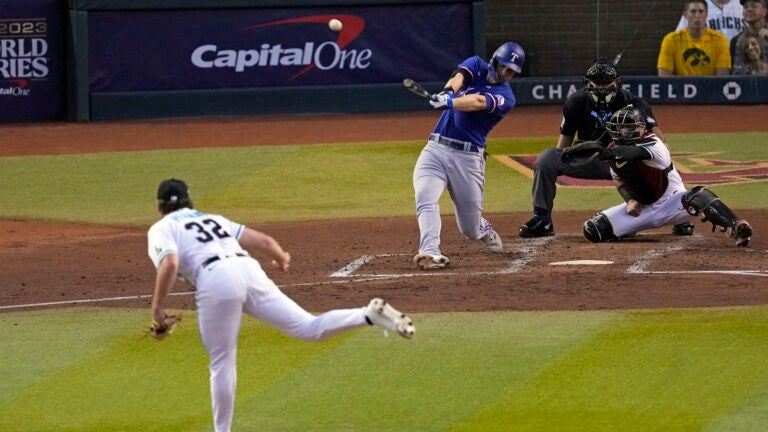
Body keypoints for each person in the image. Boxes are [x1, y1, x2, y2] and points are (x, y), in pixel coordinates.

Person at [147, 178, 415, 432]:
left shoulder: (162, 228)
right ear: (189, 200)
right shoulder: (212, 219)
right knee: (309, 327)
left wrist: (158, 311)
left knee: (222, 362)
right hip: (249, 269)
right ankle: (367, 314)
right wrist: (281, 257)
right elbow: (264, 242)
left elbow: (170, 263)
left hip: (216, 280)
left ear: (160, 205)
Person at [517, 59, 694, 238]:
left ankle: (681, 217)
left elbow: (657, 138)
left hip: (627, 161)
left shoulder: (632, 102)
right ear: (588, 84)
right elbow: (563, 144)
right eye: (597, 85)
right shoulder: (575, 102)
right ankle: (542, 220)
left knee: (662, 163)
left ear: (616, 82)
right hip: (591, 159)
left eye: (607, 84)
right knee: (547, 159)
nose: (602, 89)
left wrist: (651, 156)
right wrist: (565, 159)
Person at [570, 105, 753, 247]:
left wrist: (605, 153)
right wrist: (630, 199)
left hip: (674, 203)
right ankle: (629, 229)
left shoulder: (654, 145)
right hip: (644, 208)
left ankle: (736, 226)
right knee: (593, 230)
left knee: (697, 194)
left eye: (628, 127)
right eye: (619, 127)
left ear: (641, 128)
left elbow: (634, 153)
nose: (622, 131)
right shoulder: (613, 153)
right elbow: (618, 179)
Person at [412, 41, 525, 270]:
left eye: (512, 71)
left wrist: (450, 102)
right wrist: (447, 93)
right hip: (435, 149)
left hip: (468, 159)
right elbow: (459, 78)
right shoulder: (476, 64)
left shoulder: (506, 97)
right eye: (504, 66)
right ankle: (430, 252)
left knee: (470, 229)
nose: (506, 73)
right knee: (425, 197)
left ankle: (484, 230)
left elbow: (477, 102)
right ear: (495, 60)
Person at [659, 0, 733, 76]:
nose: (697, 15)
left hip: (710, 86)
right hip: (680, 87)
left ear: (706, 14)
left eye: (701, 11)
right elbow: (664, 77)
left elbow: (722, 78)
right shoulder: (671, 40)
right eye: (693, 11)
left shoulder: (720, 40)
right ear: (685, 15)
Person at [674, 0, 745, 44]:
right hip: (707, 60)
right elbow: (678, 39)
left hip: (739, 61)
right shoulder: (698, 6)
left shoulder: (743, 5)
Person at [730, 0, 768, 74]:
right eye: (745, 7)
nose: (749, 9)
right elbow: (737, 73)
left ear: (764, 11)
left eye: (754, 6)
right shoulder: (737, 40)